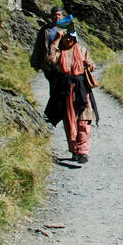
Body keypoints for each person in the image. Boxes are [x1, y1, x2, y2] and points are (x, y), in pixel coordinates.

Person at [44, 27, 96, 164]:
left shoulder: (82, 50)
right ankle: (74, 151)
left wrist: (89, 65)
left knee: (84, 120)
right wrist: (55, 40)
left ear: (75, 39)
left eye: (70, 38)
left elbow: (92, 65)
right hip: (66, 90)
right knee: (70, 121)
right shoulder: (59, 52)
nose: (68, 40)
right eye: (65, 37)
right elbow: (50, 58)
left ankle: (83, 151)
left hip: (81, 89)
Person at [31, 6, 68, 115]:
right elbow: (38, 47)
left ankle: (55, 112)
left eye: (58, 15)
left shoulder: (66, 29)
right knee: (54, 86)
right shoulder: (45, 30)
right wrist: (35, 63)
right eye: (54, 15)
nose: (56, 17)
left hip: (63, 64)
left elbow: (75, 45)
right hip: (49, 65)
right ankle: (51, 113)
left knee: (61, 87)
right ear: (51, 16)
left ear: (62, 16)